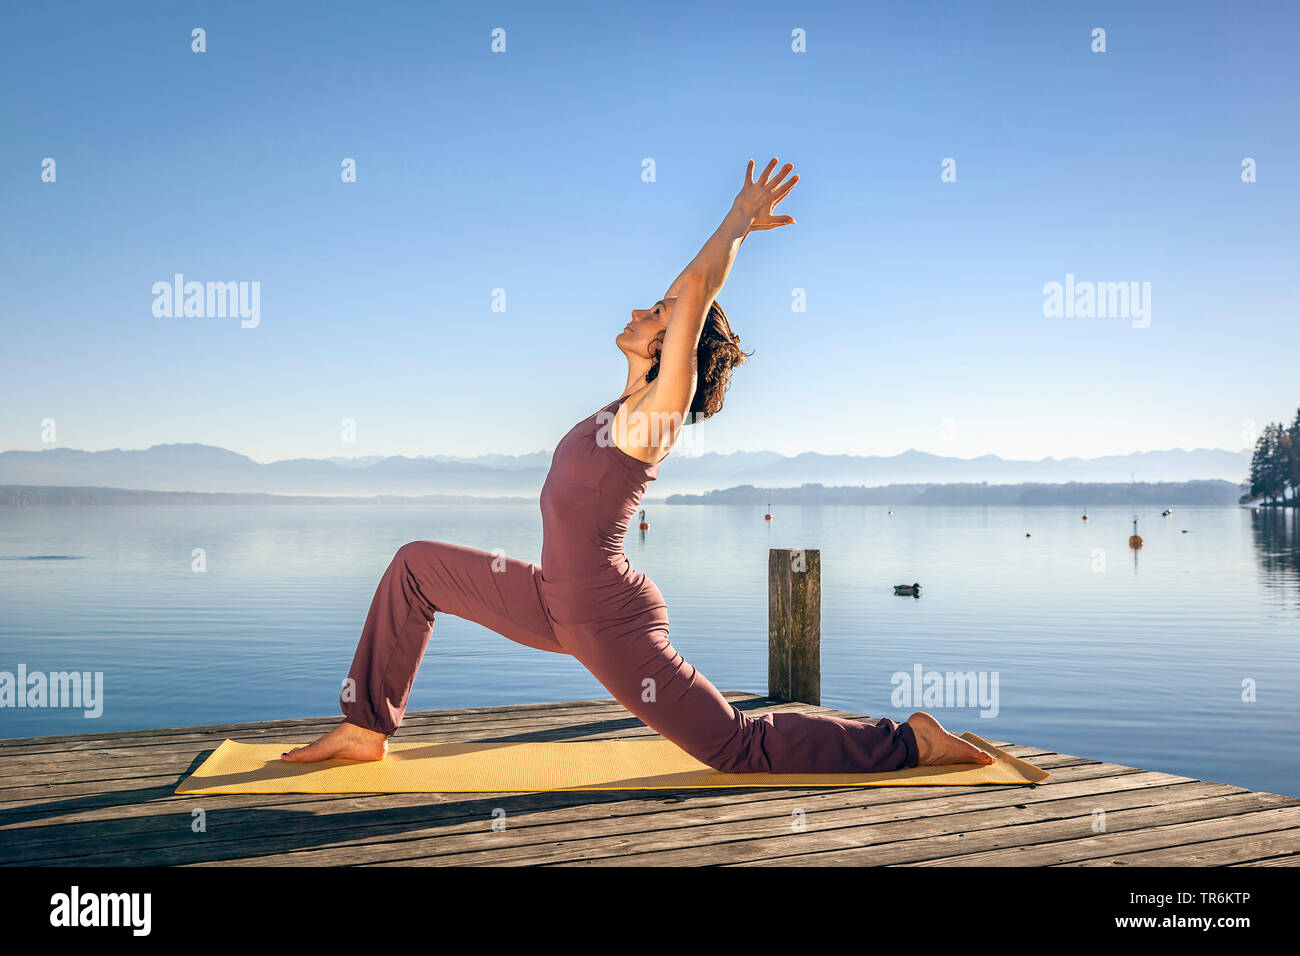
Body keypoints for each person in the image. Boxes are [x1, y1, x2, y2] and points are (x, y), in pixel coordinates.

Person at [283, 158, 993, 773]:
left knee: (736, 747)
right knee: (415, 566)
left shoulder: (657, 418)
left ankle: (907, 743)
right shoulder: (619, 407)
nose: (643, 309)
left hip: (603, 616)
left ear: (674, 347)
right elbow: (681, 307)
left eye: (659, 314)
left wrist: (737, 223)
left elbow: (694, 291)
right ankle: (365, 728)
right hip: (551, 599)